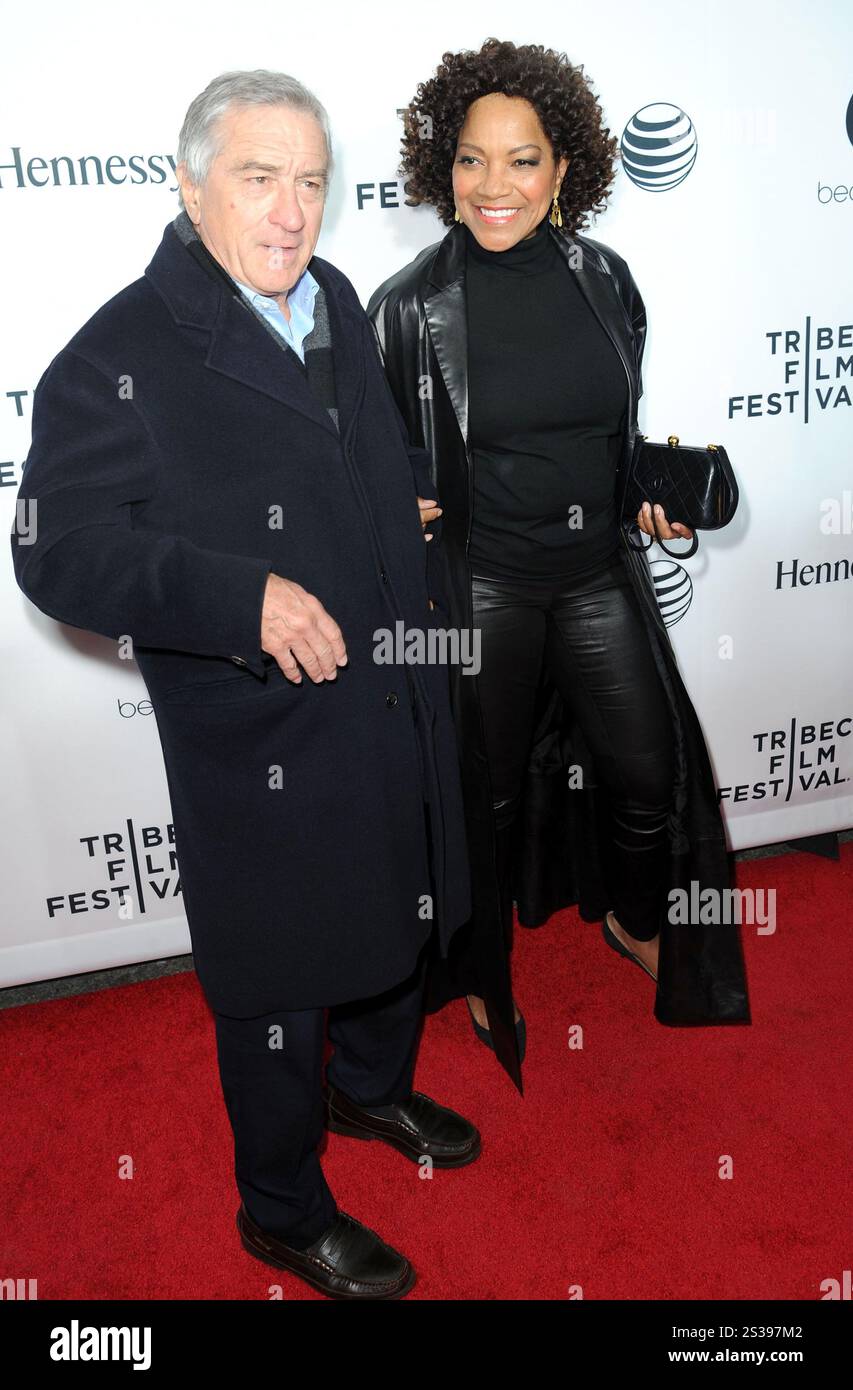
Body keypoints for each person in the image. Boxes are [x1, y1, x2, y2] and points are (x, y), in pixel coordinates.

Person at [10, 68, 479, 1301]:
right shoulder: (118, 350)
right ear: (188, 182)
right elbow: (53, 546)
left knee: (401, 908)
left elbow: (340, 454)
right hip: (260, 729)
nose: (290, 212)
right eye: (258, 178)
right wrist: (239, 599)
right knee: (281, 971)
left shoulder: (324, 293)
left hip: (389, 685)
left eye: (311, 182)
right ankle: (279, 1204)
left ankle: (370, 1090)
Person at [367, 38, 750, 1092]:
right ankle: (483, 970)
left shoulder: (603, 278)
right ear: (440, 168)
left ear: (564, 167)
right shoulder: (404, 306)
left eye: (522, 159)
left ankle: (632, 919)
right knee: (478, 798)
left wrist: (648, 499)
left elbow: (605, 434)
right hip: (481, 581)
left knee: (648, 769)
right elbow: (372, 468)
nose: (496, 186)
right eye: (472, 160)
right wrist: (395, 504)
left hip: (593, 571)